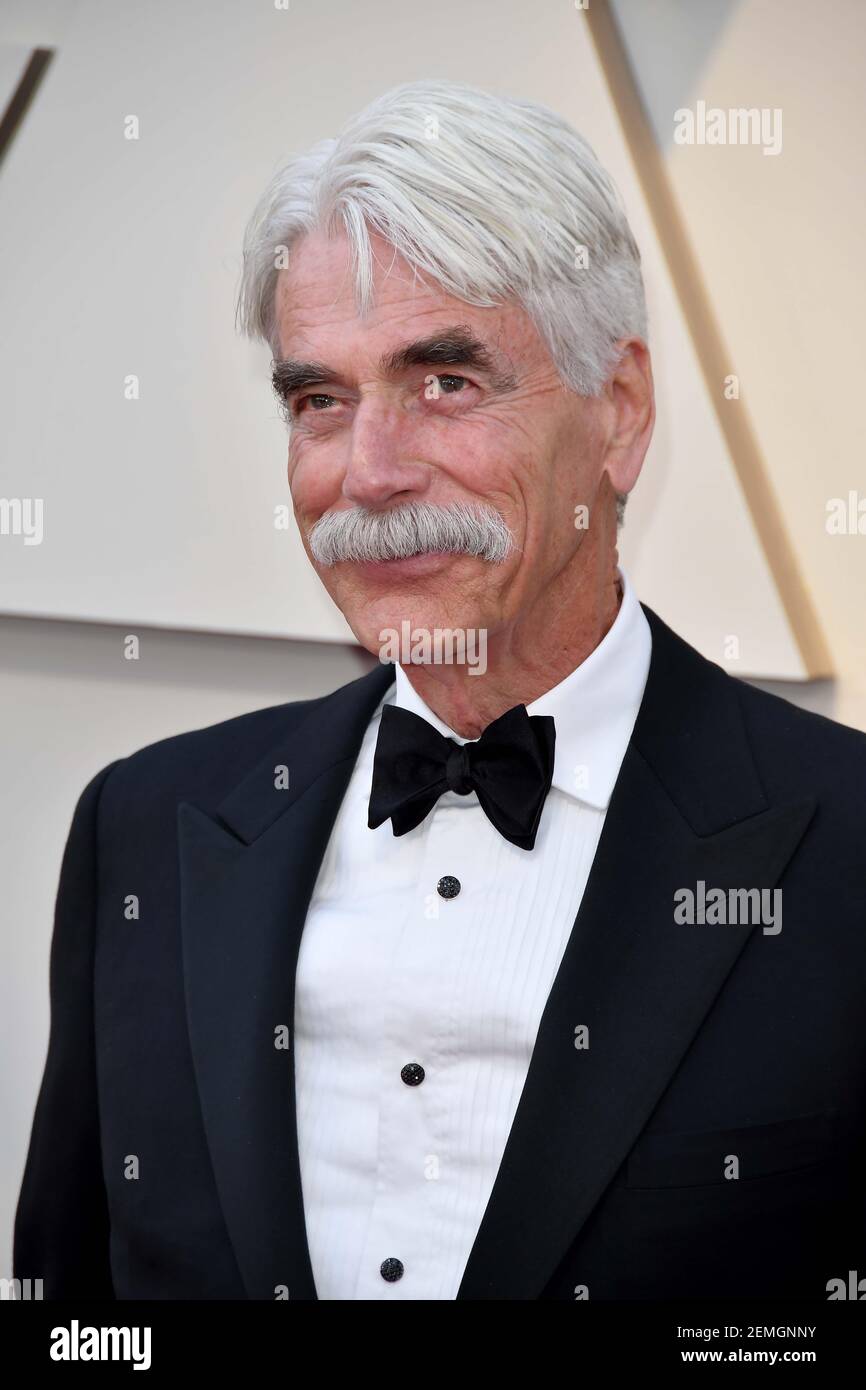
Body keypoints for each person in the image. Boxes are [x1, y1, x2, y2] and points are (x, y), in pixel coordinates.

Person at [14, 79, 866, 1301]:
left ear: (618, 413)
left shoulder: (842, 845)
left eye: (445, 384)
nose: (368, 474)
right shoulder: (143, 826)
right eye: (319, 400)